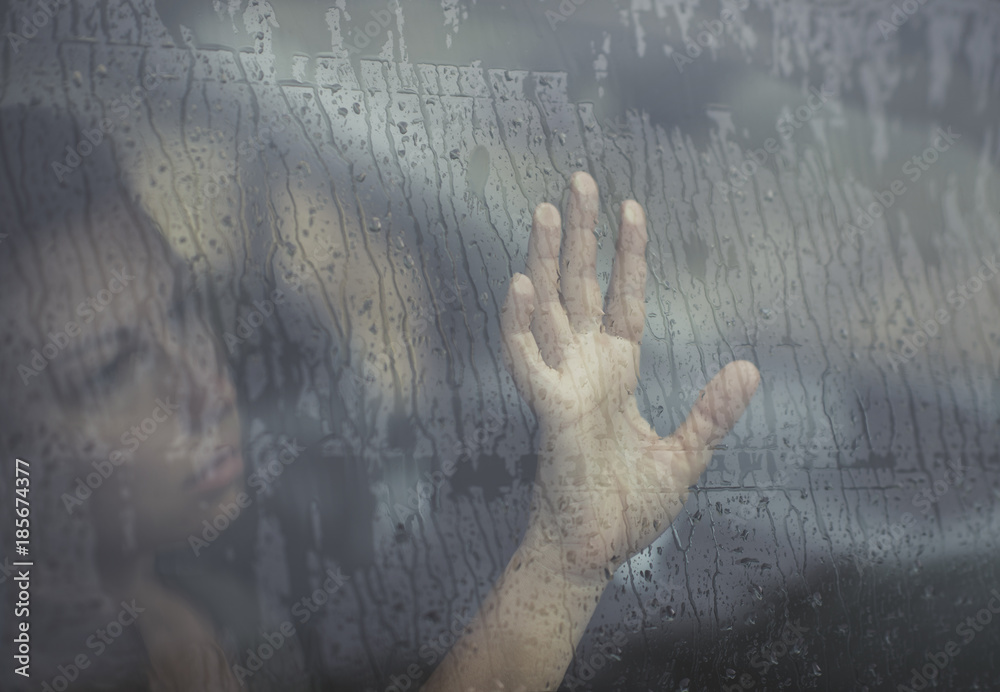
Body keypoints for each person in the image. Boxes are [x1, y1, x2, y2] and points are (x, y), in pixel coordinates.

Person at [0, 97, 758, 689]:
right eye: (108, 371)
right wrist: (564, 560)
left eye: (181, 309)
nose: (206, 386)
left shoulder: (201, 595)